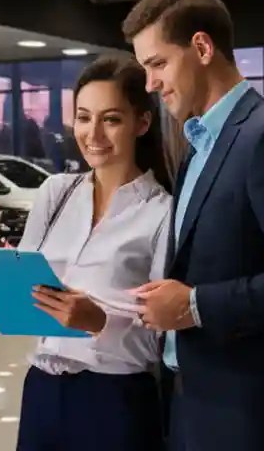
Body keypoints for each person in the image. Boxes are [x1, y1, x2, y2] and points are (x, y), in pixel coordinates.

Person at [123, 0, 264, 451]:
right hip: (195, 402)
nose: (150, 84)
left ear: (202, 48)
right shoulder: (197, 144)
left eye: (158, 64)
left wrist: (195, 305)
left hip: (255, 415)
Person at [14, 54, 172, 451]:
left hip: (114, 400)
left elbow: (158, 344)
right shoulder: (55, 192)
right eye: (84, 118)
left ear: (142, 122)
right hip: (42, 389)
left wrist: (99, 320)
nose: (93, 134)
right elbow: (23, 292)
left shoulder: (162, 212)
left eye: (111, 119)